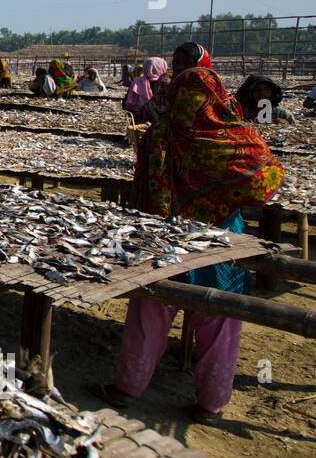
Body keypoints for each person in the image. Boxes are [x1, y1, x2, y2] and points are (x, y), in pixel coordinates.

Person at [97, 42, 283, 423]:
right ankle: (210, 405)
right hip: (217, 237)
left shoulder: (163, 133)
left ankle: (127, 389)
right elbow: (266, 177)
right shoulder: (235, 135)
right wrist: (220, 194)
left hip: (166, 234)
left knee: (150, 310)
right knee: (219, 317)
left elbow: (147, 185)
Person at [121, 57, 168, 122]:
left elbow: (126, 103)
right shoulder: (166, 83)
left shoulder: (137, 81)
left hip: (140, 122)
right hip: (161, 124)